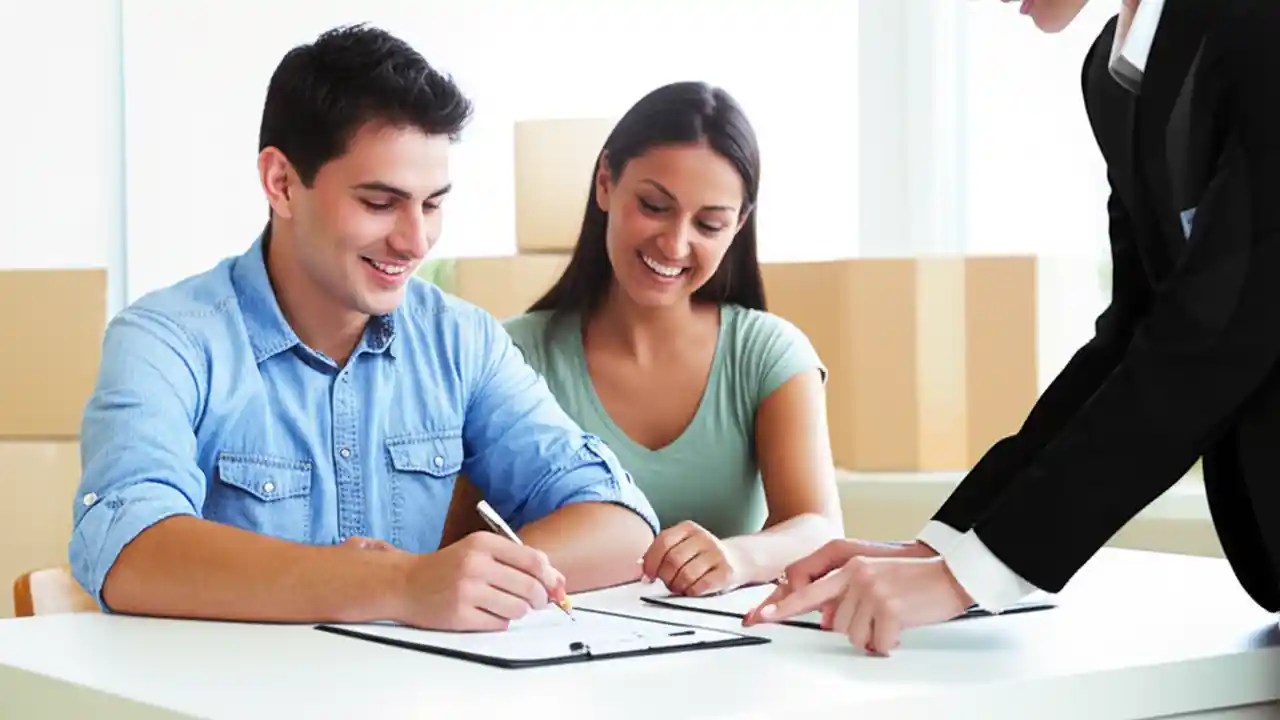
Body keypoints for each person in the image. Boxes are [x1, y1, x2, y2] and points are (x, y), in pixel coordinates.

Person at [67, 24, 659, 632]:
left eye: (432, 204)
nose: (415, 240)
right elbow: (125, 548)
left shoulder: (461, 340)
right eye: (380, 203)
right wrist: (399, 585)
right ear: (281, 184)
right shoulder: (164, 340)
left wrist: (468, 580)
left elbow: (621, 523)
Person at [748, 0, 1280, 654]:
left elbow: (1216, 338)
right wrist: (947, 547)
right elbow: (1133, 336)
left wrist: (975, 572)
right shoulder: (1113, 81)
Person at [498, 81, 844, 597]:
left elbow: (818, 527)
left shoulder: (768, 353)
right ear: (605, 182)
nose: (676, 243)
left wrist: (738, 555)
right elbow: (457, 542)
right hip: (548, 655)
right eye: (655, 206)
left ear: (739, 225)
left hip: (722, 658)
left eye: (709, 224)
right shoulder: (510, 357)